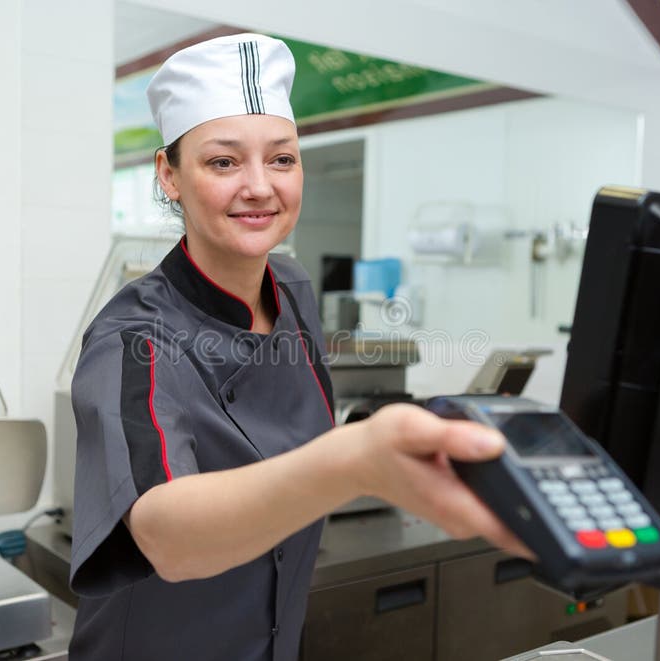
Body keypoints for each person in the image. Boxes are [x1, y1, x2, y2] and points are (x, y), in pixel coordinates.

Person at [68, 33, 528, 660]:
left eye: (281, 159)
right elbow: (165, 534)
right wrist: (354, 459)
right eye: (224, 162)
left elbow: (295, 425)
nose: (260, 187)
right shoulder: (133, 339)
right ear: (169, 175)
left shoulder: (292, 286)